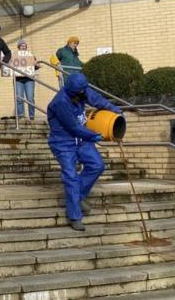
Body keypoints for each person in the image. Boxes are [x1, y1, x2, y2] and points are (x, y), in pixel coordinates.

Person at [47, 73, 122, 231]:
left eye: (84, 91)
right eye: (81, 92)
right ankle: (74, 216)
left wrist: (115, 110)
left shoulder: (82, 89)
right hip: (63, 143)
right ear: (73, 91)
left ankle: (78, 196)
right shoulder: (60, 102)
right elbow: (74, 127)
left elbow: (97, 100)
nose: (84, 94)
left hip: (81, 140)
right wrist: (95, 135)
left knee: (97, 165)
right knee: (71, 177)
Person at [12, 39, 40, 121]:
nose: (23, 47)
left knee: (30, 98)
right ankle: (21, 116)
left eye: (24, 46)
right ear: (18, 47)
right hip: (18, 79)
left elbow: (36, 67)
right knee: (19, 98)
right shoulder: (14, 56)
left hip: (29, 79)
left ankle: (32, 117)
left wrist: (37, 65)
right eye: (21, 46)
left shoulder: (31, 55)